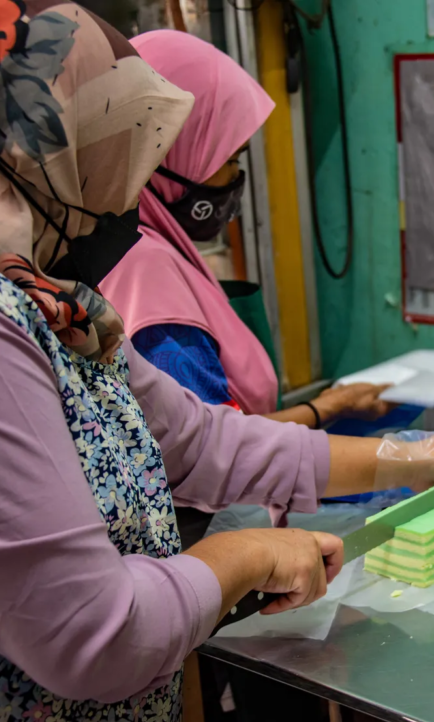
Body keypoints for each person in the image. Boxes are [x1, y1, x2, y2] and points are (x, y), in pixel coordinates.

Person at [0, 4, 434, 722]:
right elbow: (89, 633)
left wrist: (408, 457)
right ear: (40, 146)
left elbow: (202, 440)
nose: (124, 197)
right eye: (112, 158)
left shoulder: (45, 297)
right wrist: (247, 556)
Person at [101, 29, 390, 432]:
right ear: (166, 147)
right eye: (230, 158)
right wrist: (329, 408)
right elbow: (212, 448)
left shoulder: (118, 245)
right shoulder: (143, 268)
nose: (236, 178)